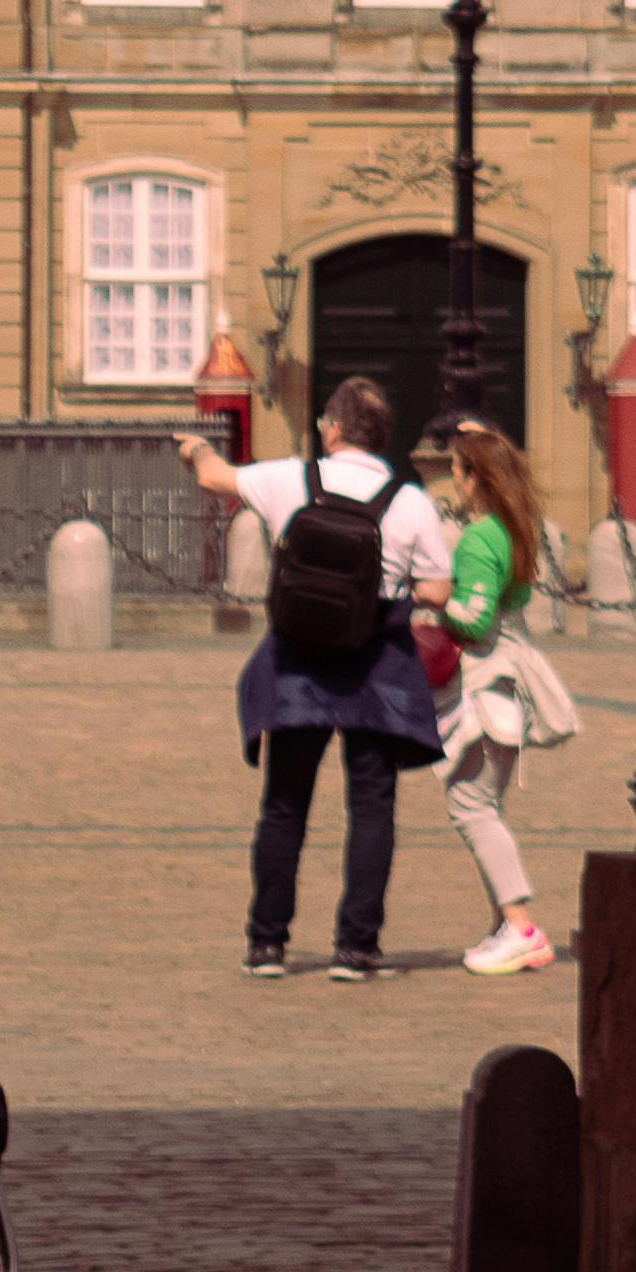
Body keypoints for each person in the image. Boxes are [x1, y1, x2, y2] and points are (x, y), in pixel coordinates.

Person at [177, 372, 451, 982]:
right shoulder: (410, 502)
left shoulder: (293, 479)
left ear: (333, 429)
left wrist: (194, 449)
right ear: (382, 437)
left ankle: (267, 944)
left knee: (284, 805)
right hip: (375, 668)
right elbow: (437, 588)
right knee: (372, 807)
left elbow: (216, 478)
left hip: (298, 663)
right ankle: (356, 947)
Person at [430, 416, 576, 982]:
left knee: (470, 803)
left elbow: (474, 618)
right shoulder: (514, 527)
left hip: (489, 681)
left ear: (474, 478)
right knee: (485, 803)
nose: (453, 480)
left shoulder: (479, 538)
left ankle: (520, 927)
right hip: (510, 676)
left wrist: (434, 598)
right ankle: (505, 927)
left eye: (457, 469)